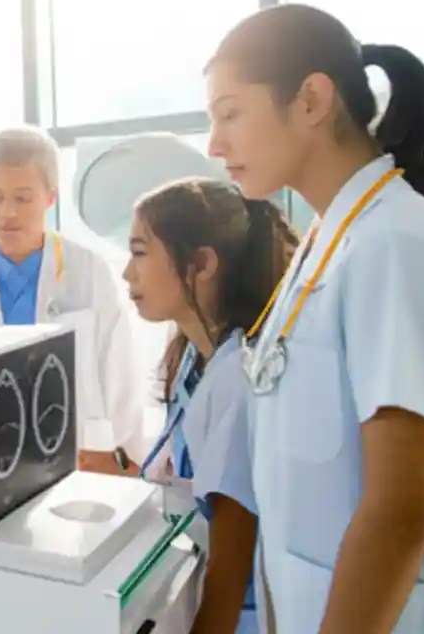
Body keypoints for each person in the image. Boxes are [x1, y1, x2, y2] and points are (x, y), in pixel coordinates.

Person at [207, 3, 424, 632]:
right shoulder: (332, 239)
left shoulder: (398, 245)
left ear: (311, 100)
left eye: (229, 113)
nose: (216, 144)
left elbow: (402, 506)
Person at [124, 178, 299, 634]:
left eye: (140, 253)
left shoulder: (237, 379)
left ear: (201, 263)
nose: (128, 273)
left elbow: (229, 575)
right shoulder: (192, 357)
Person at [0, 125, 144, 474]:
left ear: (50, 196)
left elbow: (120, 377)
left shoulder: (88, 270)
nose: (7, 213)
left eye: (22, 198)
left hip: (78, 457)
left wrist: (126, 464)